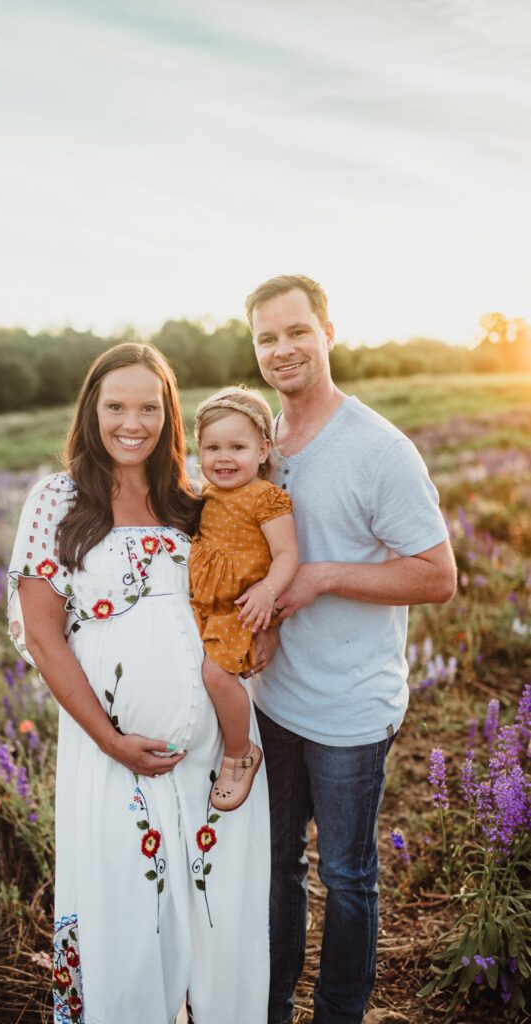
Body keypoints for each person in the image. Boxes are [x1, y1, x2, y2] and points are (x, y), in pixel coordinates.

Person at [6, 343, 269, 1024]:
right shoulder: (56, 499)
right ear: (91, 410)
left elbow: (248, 579)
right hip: (113, 754)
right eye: (115, 405)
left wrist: (265, 625)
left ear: (168, 413)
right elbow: (42, 637)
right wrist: (111, 740)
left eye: (149, 406)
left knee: (222, 917)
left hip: (217, 754)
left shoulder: (194, 495)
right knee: (123, 909)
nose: (132, 421)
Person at [244, 275, 457, 1024]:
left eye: (295, 331)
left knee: (345, 875)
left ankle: (337, 1013)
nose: (282, 349)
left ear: (328, 333)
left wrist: (324, 575)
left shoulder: (377, 449)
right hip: (272, 701)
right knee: (273, 870)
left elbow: (437, 577)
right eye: (266, 338)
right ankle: (266, 1006)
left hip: (349, 707)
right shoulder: (262, 442)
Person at [189, 386, 298, 811]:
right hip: (203, 606)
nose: (225, 457)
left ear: (263, 449)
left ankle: (240, 753)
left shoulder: (266, 497)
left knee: (217, 677)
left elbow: (288, 554)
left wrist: (267, 593)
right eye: (213, 447)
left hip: (240, 608)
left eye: (238, 446)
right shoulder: (203, 496)